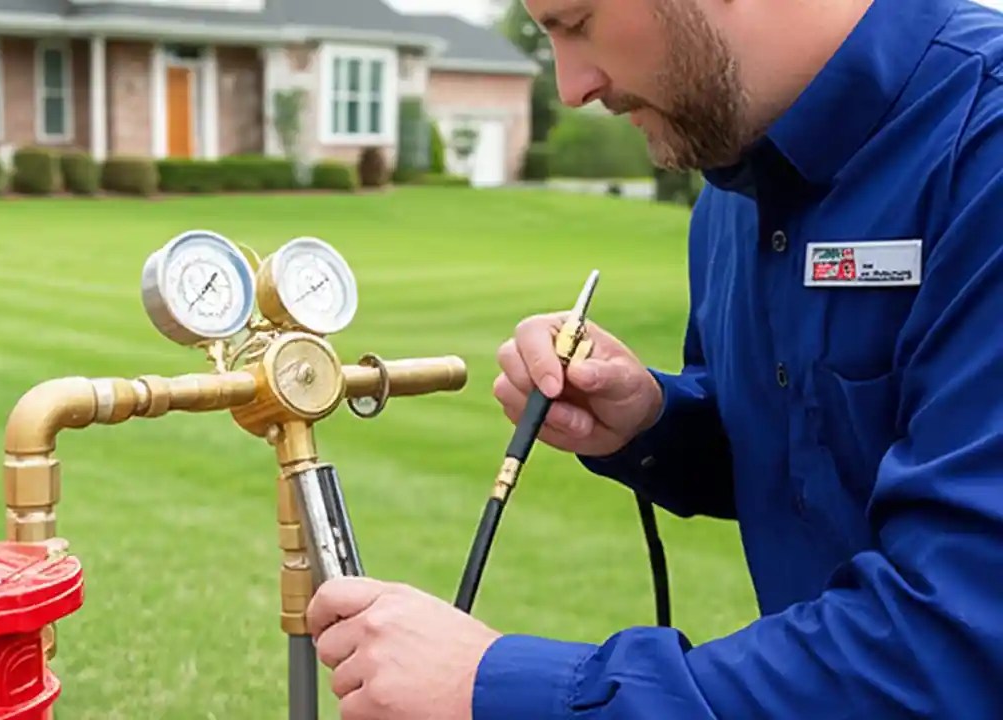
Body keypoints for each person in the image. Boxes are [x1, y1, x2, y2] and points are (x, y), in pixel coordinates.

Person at [303, 0, 1003, 716]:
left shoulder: (985, 145)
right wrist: (652, 421)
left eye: (574, 23)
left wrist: (491, 685)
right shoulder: (731, 195)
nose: (570, 87)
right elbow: (813, 457)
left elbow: (956, 642)